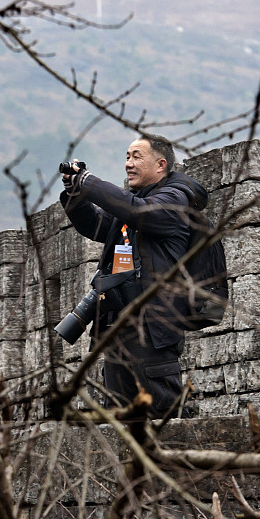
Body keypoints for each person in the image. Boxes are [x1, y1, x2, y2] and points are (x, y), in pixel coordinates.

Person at [59, 134, 203, 419]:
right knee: (120, 415)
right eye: (127, 157)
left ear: (161, 165)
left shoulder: (175, 200)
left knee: (160, 413)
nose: (128, 164)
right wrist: (75, 192)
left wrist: (89, 182)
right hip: (118, 323)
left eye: (137, 157)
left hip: (152, 327)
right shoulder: (134, 204)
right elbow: (96, 225)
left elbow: (141, 213)